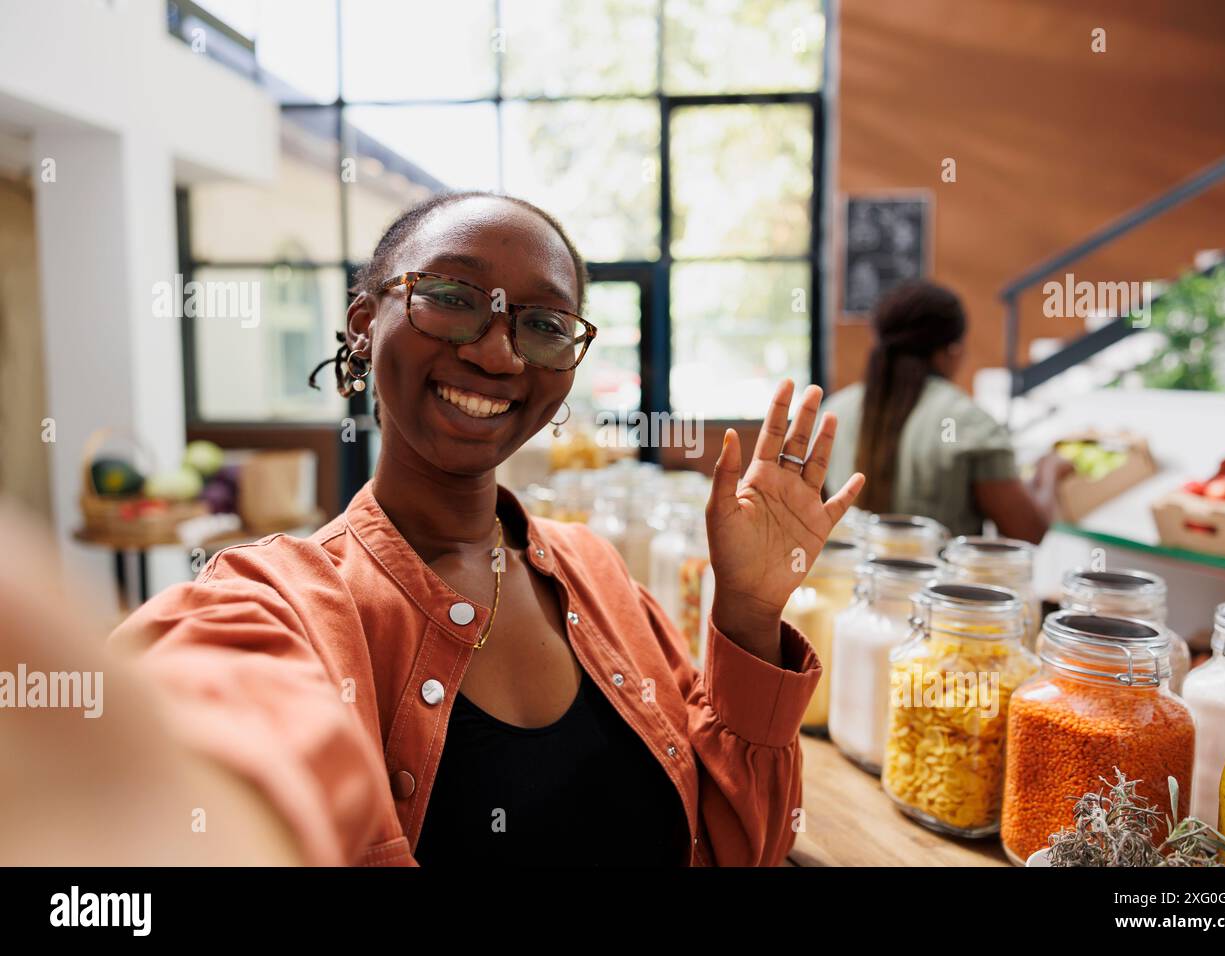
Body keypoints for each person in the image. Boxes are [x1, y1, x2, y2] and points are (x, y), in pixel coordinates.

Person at [23, 191, 863, 867]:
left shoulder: (596, 574)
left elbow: (737, 843)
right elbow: (220, 768)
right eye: (453, 300)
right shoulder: (279, 604)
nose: (498, 355)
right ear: (363, 325)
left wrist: (747, 616)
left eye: (542, 324)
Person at [819, 280, 1069, 542]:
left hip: (848, 580)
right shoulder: (970, 422)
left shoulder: (834, 412)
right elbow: (1028, 532)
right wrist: (1049, 471)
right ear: (953, 350)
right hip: (942, 581)